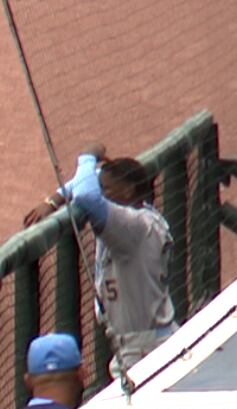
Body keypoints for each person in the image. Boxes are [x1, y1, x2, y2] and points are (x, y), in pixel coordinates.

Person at [31, 149, 176, 373]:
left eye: (106, 189)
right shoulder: (139, 215)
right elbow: (85, 183)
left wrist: (87, 156)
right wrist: (54, 200)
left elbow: (87, 196)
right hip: (147, 342)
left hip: (145, 353)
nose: (102, 194)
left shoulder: (133, 226)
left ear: (128, 190)